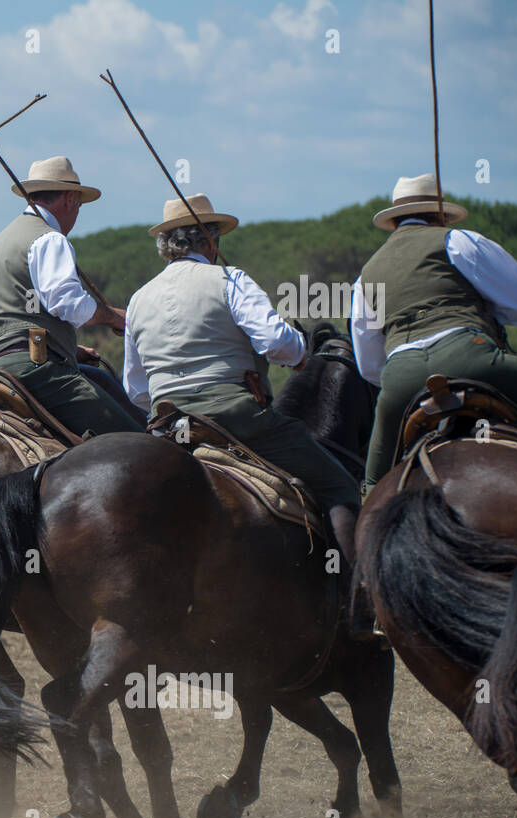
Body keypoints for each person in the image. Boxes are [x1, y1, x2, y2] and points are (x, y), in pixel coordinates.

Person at [124, 193, 361, 565]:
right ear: (210, 240)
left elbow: (136, 390)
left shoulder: (137, 300)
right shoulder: (229, 279)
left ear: (166, 247)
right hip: (234, 418)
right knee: (340, 485)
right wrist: (299, 350)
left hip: (166, 425)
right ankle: (361, 604)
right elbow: (276, 343)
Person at [352, 173, 517, 491]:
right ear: (439, 214)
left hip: (401, 380)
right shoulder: (456, 241)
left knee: (374, 484)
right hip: (471, 356)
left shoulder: (366, 274)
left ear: (394, 221)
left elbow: (369, 364)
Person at [0, 156, 138, 437]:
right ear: (70, 199)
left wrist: (63, 347)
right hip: (33, 372)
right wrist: (114, 316)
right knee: (135, 440)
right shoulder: (50, 239)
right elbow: (69, 305)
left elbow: (11, 318)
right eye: (79, 205)